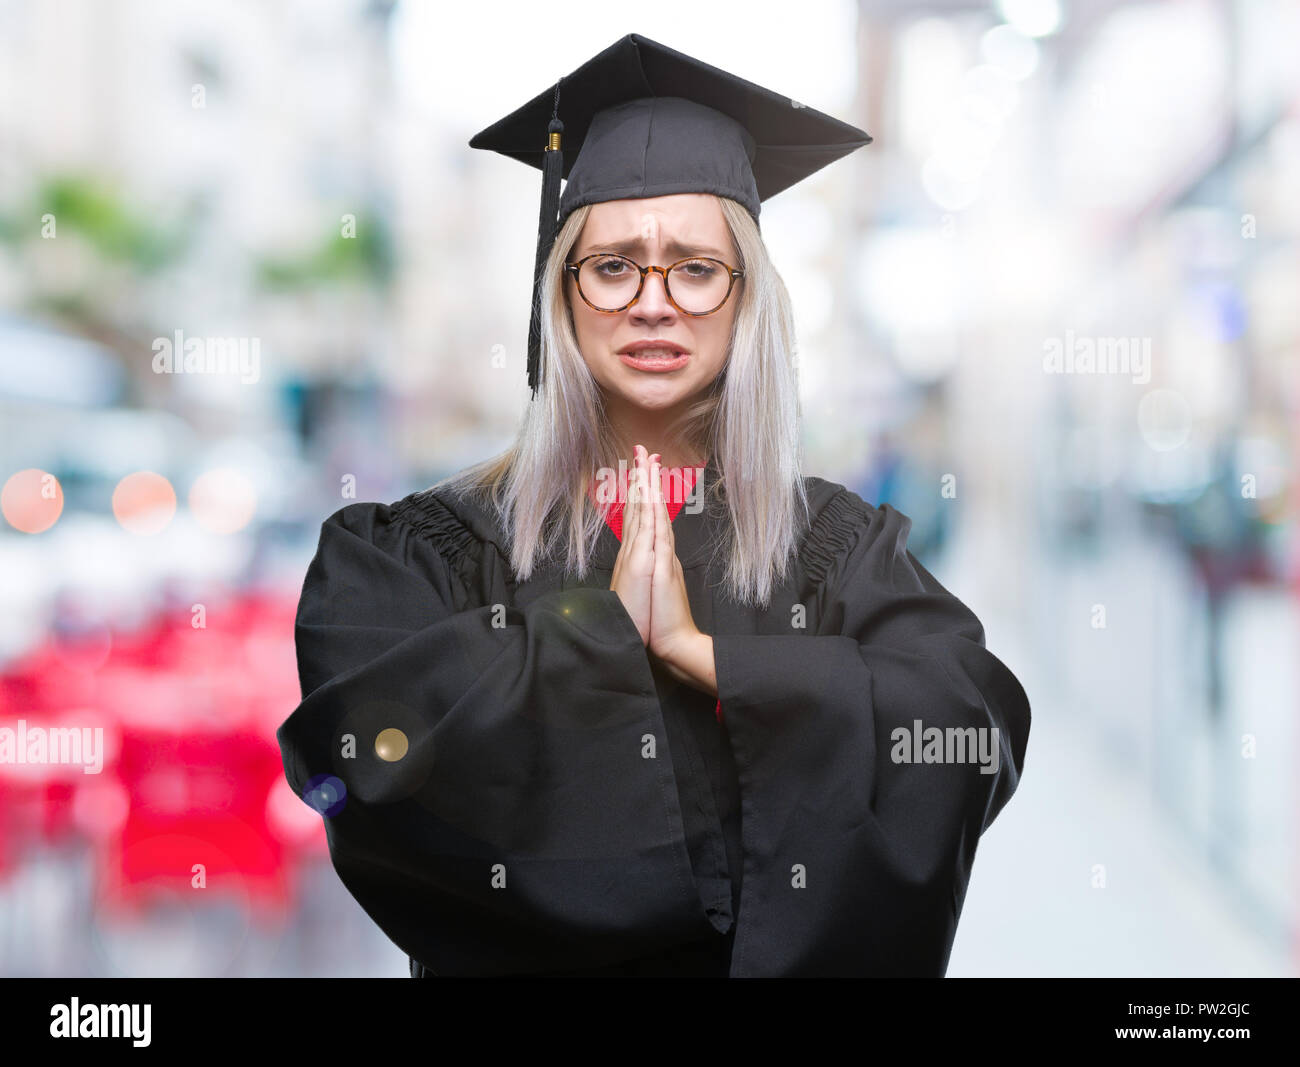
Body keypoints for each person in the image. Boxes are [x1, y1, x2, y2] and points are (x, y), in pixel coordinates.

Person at [276, 32, 1031, 978]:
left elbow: (969, 731)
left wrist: (708, 658)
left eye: (696, 266)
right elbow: (360, 758)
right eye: (614, 264)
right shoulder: (425, 549)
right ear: (562, 292)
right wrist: (593, 637)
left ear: (747, 297)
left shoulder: (836, 546)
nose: (653, 302)